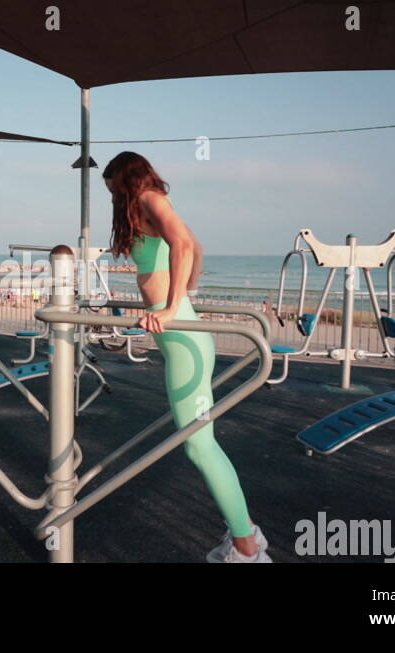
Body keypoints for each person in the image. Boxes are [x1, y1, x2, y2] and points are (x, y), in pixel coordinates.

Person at [102, 151, 271, 563]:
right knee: (201, 443)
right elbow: (196, 245)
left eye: (113, 190)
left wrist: (171, 306)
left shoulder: (149, 199)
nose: (112, 198)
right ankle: (245, 540)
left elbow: (182, 244)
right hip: (182, 338)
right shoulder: (154, 202)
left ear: (127, 179)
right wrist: (180, 299)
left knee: (200, 447)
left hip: (184, 340)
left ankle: (248, 549)